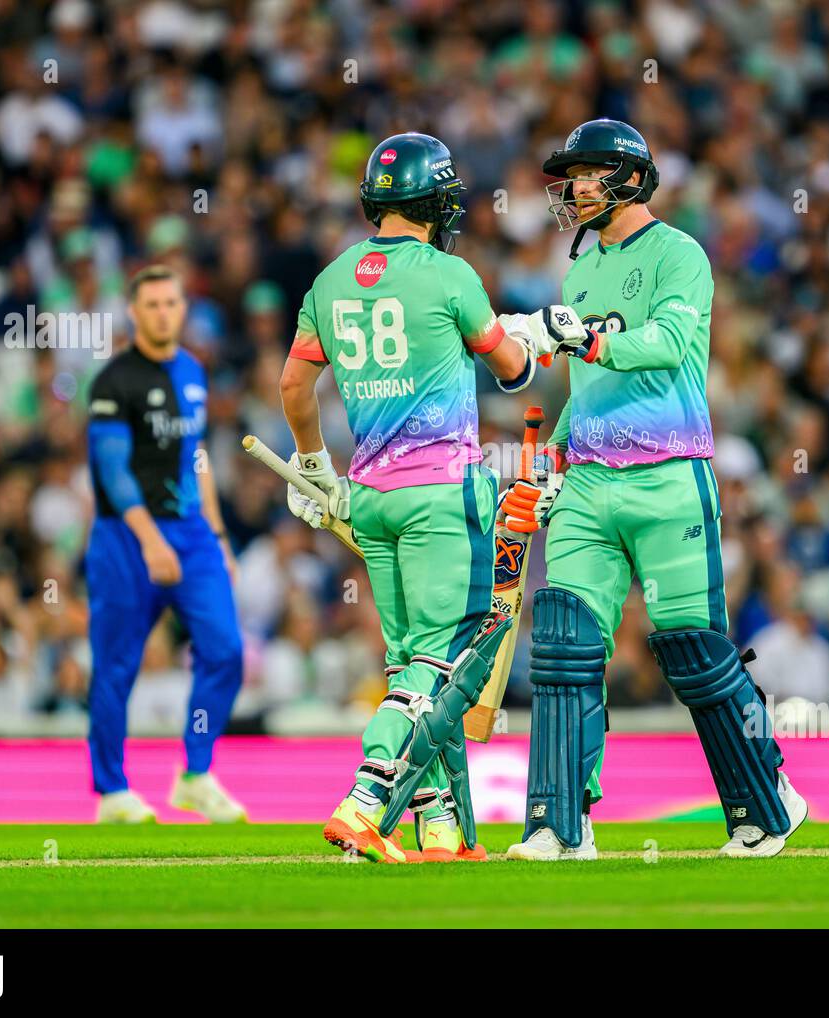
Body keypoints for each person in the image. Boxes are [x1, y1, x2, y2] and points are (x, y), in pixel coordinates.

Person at [500, 119, 806, 860]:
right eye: (569, 175)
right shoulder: (577, 271)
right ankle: (558, 823)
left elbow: (667, 345)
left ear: (629, 178)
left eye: (585, 173)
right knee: (566, 648)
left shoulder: (681, 255)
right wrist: (555, 455)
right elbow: (592, 382)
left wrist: (580, 338)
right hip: (591, 482)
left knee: (693, 651)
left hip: (671, 476)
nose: (571, 189)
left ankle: (766, 801)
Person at [277, 132, 545, 863]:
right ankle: (367, 799)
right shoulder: (450, 275)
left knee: (408, 662)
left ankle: (440, 825)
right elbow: (516, 373)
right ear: (436, 202)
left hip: (367, 493)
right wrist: (528, 334)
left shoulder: (329, 281)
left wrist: (314, 466)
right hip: (439, 492)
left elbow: (295, 386)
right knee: (446, 655)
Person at [85, 265, 246, 823]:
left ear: (182, 308)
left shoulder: (193, 373)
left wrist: (219, 535)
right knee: (116, 666)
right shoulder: (114, 383)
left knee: (225, 650)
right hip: (126, 537)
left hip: (193, 532)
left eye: (171, 303)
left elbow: (196, 458)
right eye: (151, 304)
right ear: (134, 312)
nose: (162, 313)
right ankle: (111, 791)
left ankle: (195, 775)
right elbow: (113, 472)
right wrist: (151, 540)